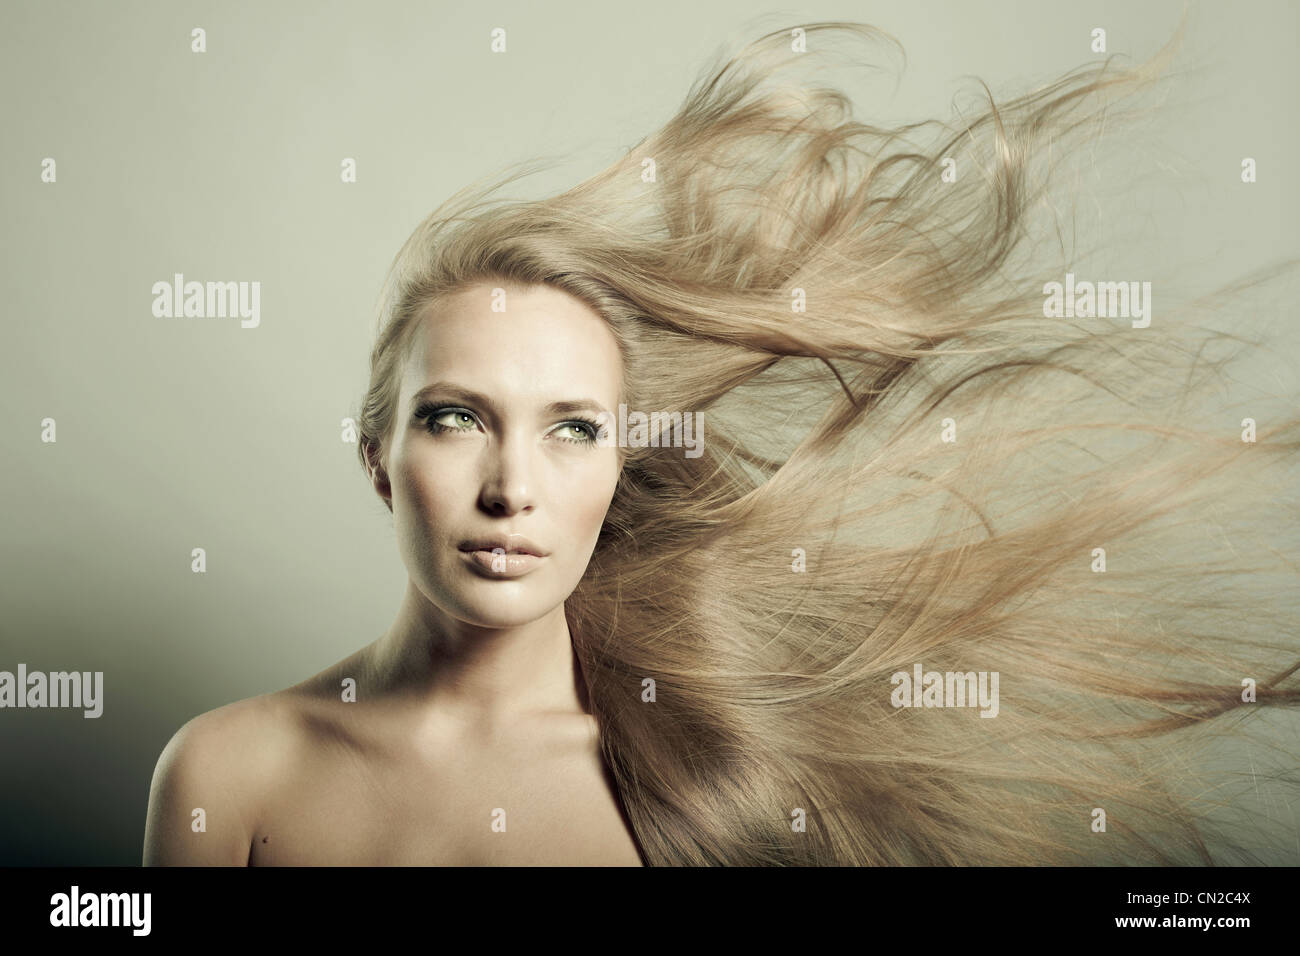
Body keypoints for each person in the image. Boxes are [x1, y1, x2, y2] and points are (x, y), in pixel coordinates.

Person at [145, 17, 1300, 866]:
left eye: (571, 430)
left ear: (619, 465)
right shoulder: (227, 772)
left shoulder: (716, 780)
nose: (511, 489)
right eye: (456, 418)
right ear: (374, 453)